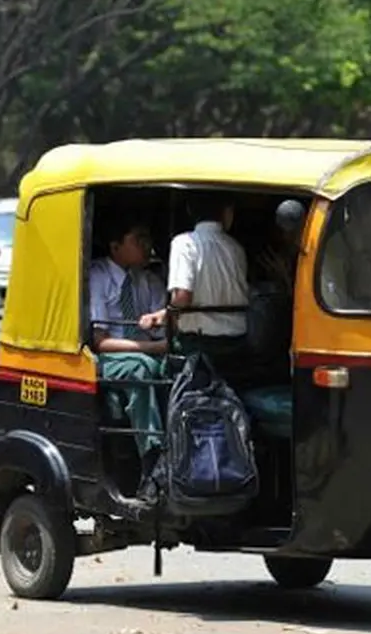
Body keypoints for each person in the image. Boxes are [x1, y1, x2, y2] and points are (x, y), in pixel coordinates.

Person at [88, 215, 169, 500]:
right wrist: (150, 349)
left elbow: (164, 325)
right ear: (115, 246)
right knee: (142, 368)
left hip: (148, 351)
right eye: (139, 240)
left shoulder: (148, 280)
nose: (147, 246)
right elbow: (100, 342)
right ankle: (152, 462)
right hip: (112, 357)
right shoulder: (99, 277)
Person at [143, 190, 252, 389]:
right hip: (237, 342)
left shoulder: (184, 243)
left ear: (190, 211)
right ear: (227, 213)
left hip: (200, 345)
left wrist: (164, 315)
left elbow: (182, 296)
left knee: (161, 374)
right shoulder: (236, 247)